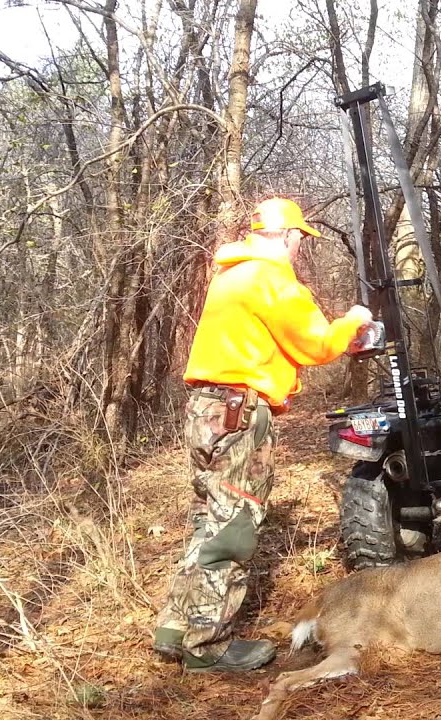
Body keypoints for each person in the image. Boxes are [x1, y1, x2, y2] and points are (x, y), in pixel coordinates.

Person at [150, 197, 373, 672]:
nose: (299, 249)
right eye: (299, 239)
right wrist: (354, 321)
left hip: (205, 411)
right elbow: (315, 343)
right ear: (289, 236)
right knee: (233, 525)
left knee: (206, 517)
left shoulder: (230, 277)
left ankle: (175, 627)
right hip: (238, 414)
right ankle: (207, 646)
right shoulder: (272, 278)